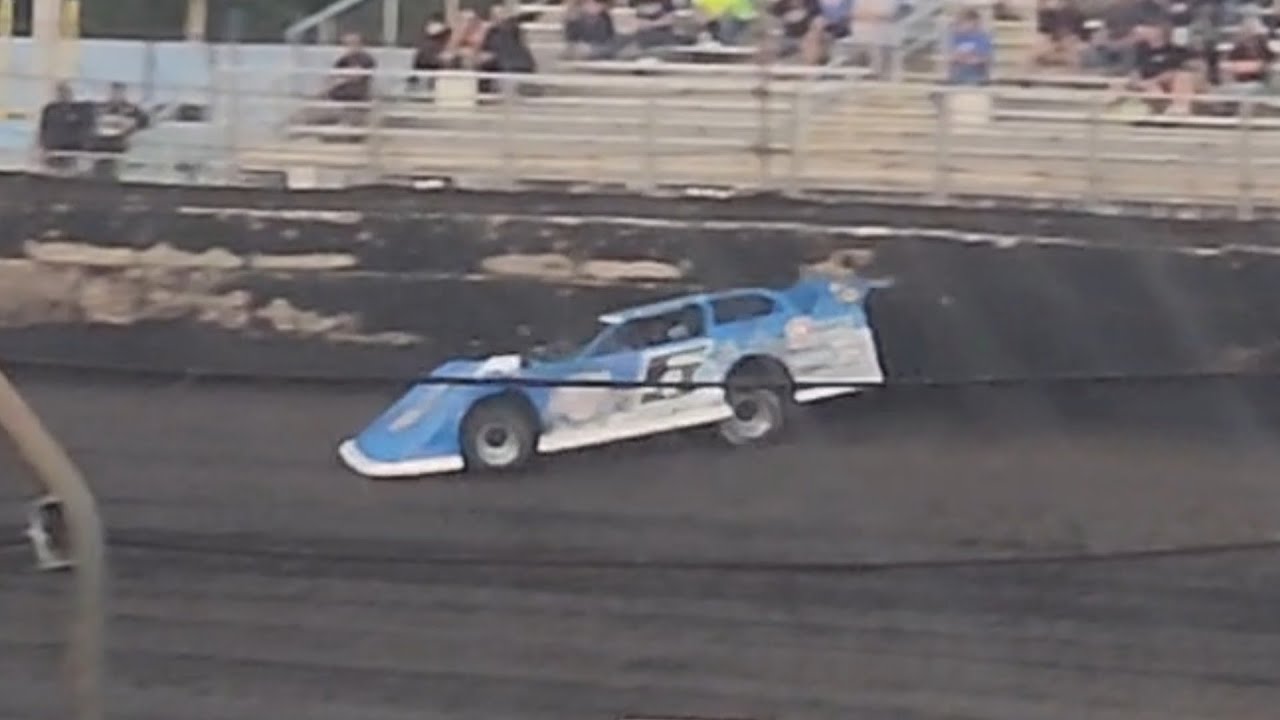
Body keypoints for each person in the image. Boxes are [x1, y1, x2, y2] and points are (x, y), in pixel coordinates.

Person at [1122, 21, 1202, 115]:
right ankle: (1165, 110)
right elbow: (1134, 71)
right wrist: (1140, 83)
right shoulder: (1139, 50)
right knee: (1150, 87)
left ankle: (1179, 109)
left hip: (1172, 84)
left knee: (1182, 77)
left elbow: (1176, 72)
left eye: (1146, 27)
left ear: (1158, 30)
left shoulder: (1177, 51)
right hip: (1149, 86)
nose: (1140, 30)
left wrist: (1154, 80)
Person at [87, 82, 149, 180]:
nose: (116, 95)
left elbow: (144, 122)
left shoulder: (131, 109)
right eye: (114, 92)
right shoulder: (101, 108)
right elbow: (93, 123)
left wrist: (130, 128)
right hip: (101, 146)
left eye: (119, 92)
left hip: (121, 145)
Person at [38, 82, 91, 173]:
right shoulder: (50, 109)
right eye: (60, 93)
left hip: (70, 153)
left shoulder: (79, 110)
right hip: (51, 152)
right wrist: (41, 148)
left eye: (65, 92)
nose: (62, 95)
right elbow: (43, 129)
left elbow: (83, 131)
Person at [1219, 17, 1275, 96]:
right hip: (1241, 82)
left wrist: (1262, 67)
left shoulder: (1263, 44)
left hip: (1260, 83)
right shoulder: (1238, 46)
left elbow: (1269, 63)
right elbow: (1227, 66)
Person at [1031, 0, 1087, 68]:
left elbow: (1079, 40)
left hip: (1072, 45)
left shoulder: (1077, 11)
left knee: (1076, 56)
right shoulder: (1047, 13)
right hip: (1056, 45)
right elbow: (1044, 37)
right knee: (1036, 54)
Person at [947, 8, 994, 85]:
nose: (957, 26)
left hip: (977, 78)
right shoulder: (955, 36)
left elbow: (985, 59)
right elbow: (951, 57)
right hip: (957, 77)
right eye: (957, 23)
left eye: (961, 23)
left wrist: (969, 59)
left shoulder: (982, 37)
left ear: (972, 23)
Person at [327, 32, 377, 105]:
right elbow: (332, 76)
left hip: (356, 95)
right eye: (347, 44)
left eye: (353, 43)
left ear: (360, 44)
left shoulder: (366, 59)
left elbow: (357, 76)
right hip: (338, 94)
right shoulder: (343, 59)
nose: (350, 47)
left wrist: (341, 80)